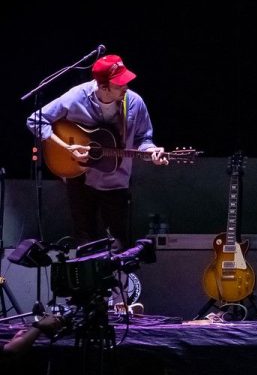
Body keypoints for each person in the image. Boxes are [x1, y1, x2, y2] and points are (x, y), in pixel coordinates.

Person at [26, 54, 166, 248]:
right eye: (119, 85)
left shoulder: (134, 103)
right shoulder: (77, 96)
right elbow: (36, 119)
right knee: (84, 243)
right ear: (102, 87)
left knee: (119, 245)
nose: (125, 87)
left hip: (116, 181)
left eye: (126, 82)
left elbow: (144, 138)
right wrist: (66, 147)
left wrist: (151, 151)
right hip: (79, 177)